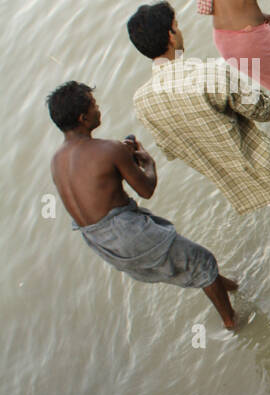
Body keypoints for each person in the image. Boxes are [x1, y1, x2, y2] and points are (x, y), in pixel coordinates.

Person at [128, 1, 270, 253]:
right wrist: (247, 75)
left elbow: (172, 150)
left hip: (238, 182)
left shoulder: (141, 102)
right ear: (171, 36)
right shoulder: (205, 73)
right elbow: (263, 111)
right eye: (177, 27)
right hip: (269, 163)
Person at [47, 81, 237, 328]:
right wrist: (147, 162)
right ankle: (232, 323)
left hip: (100, 242)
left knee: (192, 263)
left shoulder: (56, 161)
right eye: (94, 105)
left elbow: (95, 186)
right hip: (126, 232)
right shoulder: (110, 150)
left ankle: (234, 287)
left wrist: (119, 158)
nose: (99, 109)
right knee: (203, 261)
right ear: (84, 118)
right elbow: (146, 190)